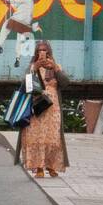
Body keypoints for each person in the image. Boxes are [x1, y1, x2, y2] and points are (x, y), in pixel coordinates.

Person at [18, 40, 69, 177]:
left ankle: (52, 166)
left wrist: (56, 69)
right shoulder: (31, 67)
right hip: (37, 106)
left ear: (49, 53)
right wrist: (34, 69)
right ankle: (39, 167)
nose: (42, 53)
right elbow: (24, 86)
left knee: (53, 137)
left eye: (45, 50)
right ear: (36, 53)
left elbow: (65, 83)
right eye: (40, 50)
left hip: (53, 107)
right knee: (36, 136)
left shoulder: (56, 66)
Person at [0, 0, 41, 65]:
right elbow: (16, 4)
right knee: (20, 39)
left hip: (19, 18)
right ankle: (18, 58)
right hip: (26, 22)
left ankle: (0, 44)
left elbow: (14, 2)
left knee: (6, 25)